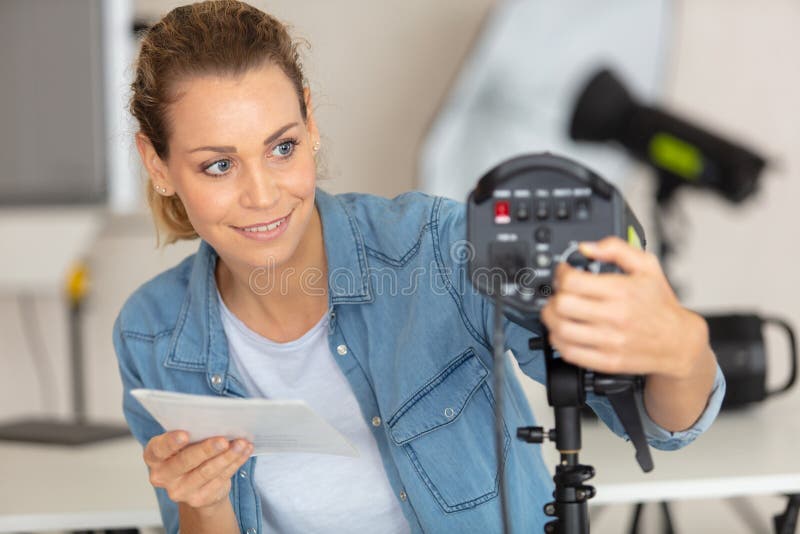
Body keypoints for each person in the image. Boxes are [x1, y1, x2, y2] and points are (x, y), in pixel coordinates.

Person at [113, 2, 725, 533]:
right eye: (218, 166)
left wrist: (683, 349)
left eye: (282, 147)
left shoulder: (439, 247)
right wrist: (204, 502)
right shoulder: (152, 332)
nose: (263, 194)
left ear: (310, 121)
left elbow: (654, 421)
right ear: (158, 164)